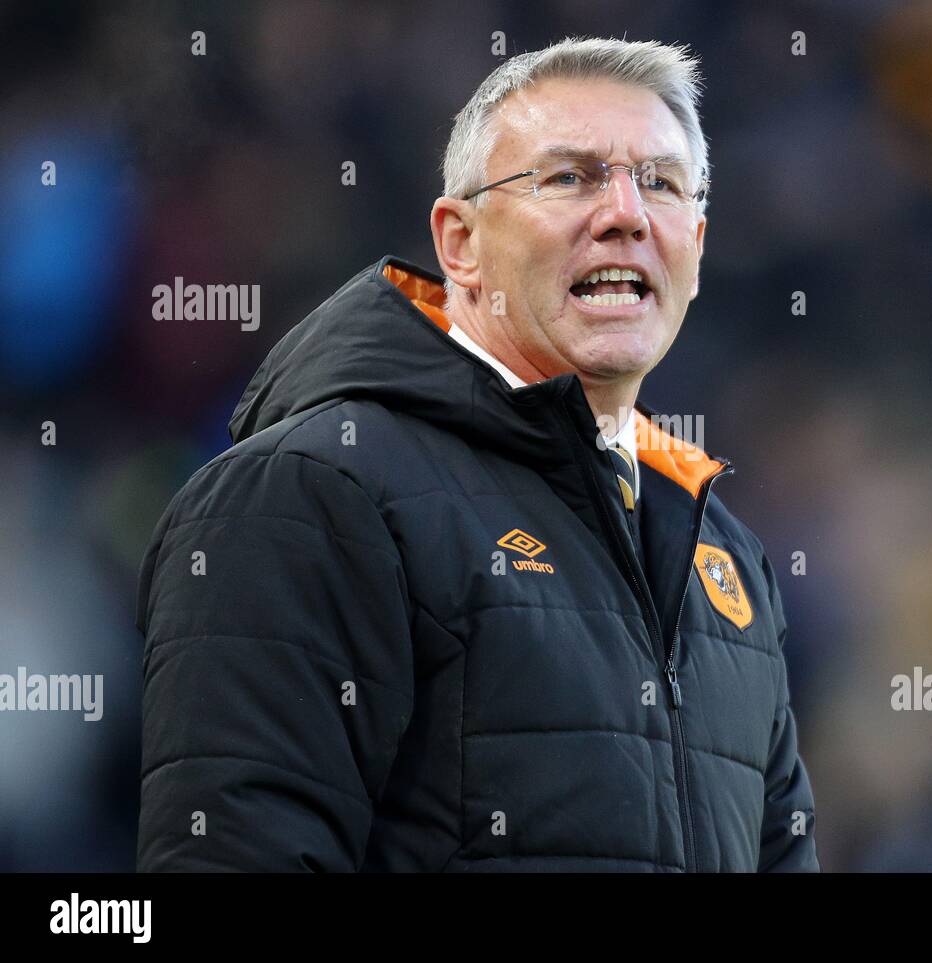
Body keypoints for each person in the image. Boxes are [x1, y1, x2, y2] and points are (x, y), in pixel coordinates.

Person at [136, 36, 818, 872]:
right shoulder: (305, 494)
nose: (627, 214)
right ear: (460, 244)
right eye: (569, 176)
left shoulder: (730, 564)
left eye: (662, 184)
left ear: (698, 246)